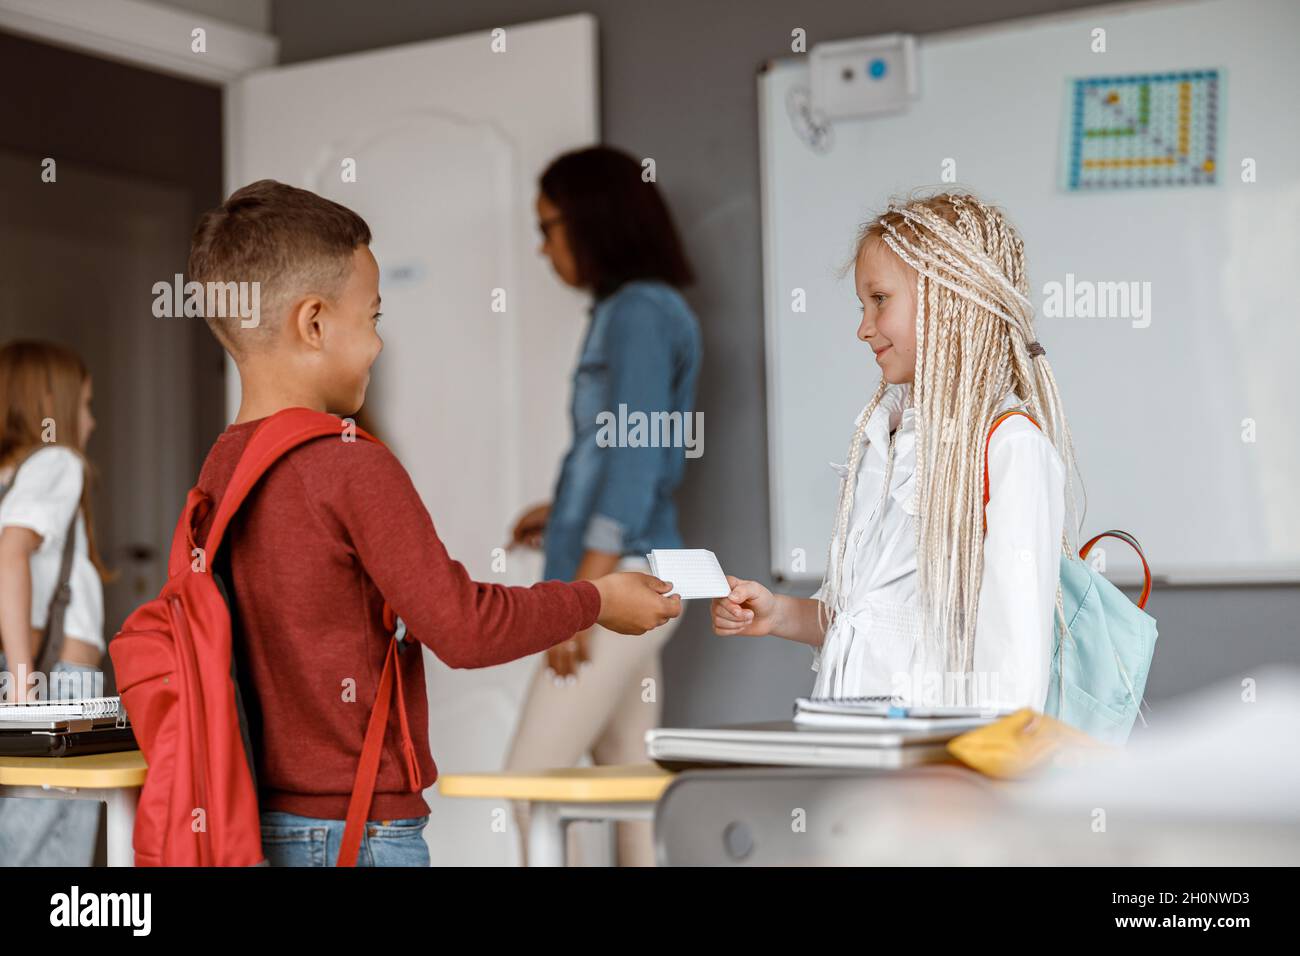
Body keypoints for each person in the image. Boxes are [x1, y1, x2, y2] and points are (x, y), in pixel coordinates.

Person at [186, 179, 681, 866]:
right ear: (314, 323)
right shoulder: (353, 464)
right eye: (374, 317)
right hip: (362, 834)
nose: (379, 345)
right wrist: (594, 600)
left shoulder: (221, 468)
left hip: (259, 821)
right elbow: (464, 628)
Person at [713, 192, 1077, 711]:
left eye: (880, 300)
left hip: (934, 771)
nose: (863, 328)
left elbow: (1014, 664)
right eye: (863, 305)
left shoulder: (1010, 448)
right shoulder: (882, 440)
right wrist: (777, 614)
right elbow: (869, 617)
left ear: (949, 298)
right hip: (852, 750)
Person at [505, 146, 701, 866]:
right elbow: (622, 451)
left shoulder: (638, 314)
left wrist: (582, 598)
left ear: (593, 221)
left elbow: (637, 459)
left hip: (622, 580)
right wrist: (558, 511)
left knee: (530, 790)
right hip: (638, 571)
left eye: (550, 225)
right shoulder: (638, 311)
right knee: (630, 803)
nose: (543, 245)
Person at [0, 340, 109, 865]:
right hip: (60, 681)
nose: (89, 423)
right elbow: (11, 552)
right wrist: (25, 684)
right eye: (85, 406)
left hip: (35, 677)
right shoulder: (59, 461)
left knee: (32, 827)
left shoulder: (10, 477)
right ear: (52, 402)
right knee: (52, 841)